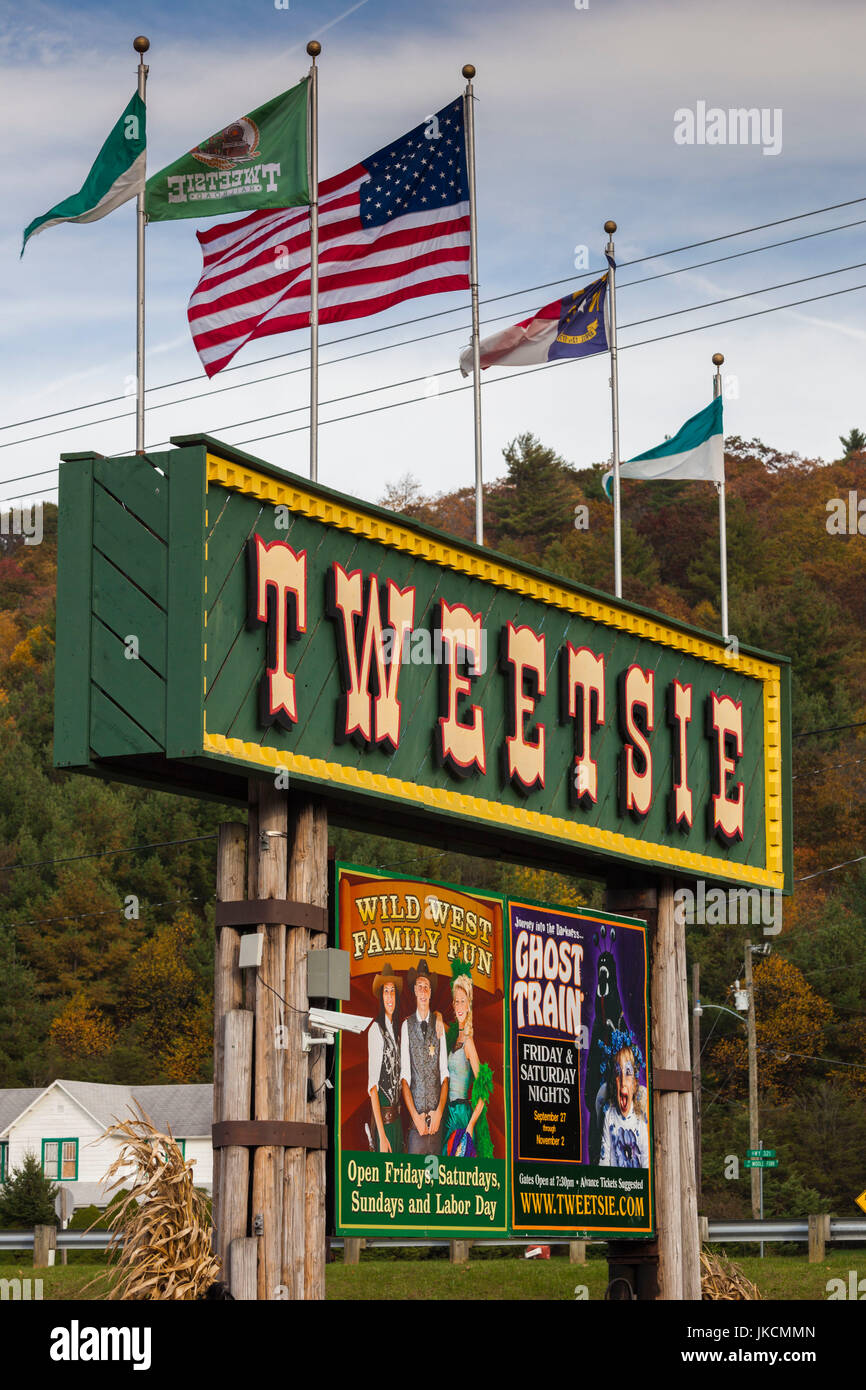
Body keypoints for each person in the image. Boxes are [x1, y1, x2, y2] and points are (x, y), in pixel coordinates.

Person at [441, 962, 494, 1159]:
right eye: (456, 1001)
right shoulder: (455, 1037)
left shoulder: (469, 1043)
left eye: (463, 1001)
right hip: (449, 1113)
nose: (460, 1006)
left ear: (468, 1004)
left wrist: (470, 1125)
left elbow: (483, 1088)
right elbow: (443, 1026)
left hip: (462, 1114)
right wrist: (438, 1017)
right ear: (453, 1005)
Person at [400, 960, 448, 1154]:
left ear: (430, 992)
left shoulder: (438, 1025)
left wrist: (439, 1113)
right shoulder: (406, 1026)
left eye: (426, 986)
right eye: (419, 986)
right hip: (416, 1125)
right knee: (415, 1180)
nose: (422, 990)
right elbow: (405, 1079)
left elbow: (445, 1076)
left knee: (438, 1180)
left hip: (437, 1124)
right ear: (414, 991)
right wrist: (416, 1118)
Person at [598, 1029, 649, 1169]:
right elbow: (604, 1160)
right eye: (617, 1073)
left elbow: (646, 1162)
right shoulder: (610, 1116)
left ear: (634, 1084)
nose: (622, 1080)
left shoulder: (640, 1120)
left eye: (628, 1073)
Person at [367, 962, 403, 1154]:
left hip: (397, 1121)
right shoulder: (376, 1030)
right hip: (384, 1122)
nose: (389, 996)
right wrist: (381, 1135)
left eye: (392, 992)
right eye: (386, 991)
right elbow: (373, 1088)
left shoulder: (396, 1033)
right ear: (381, 997)